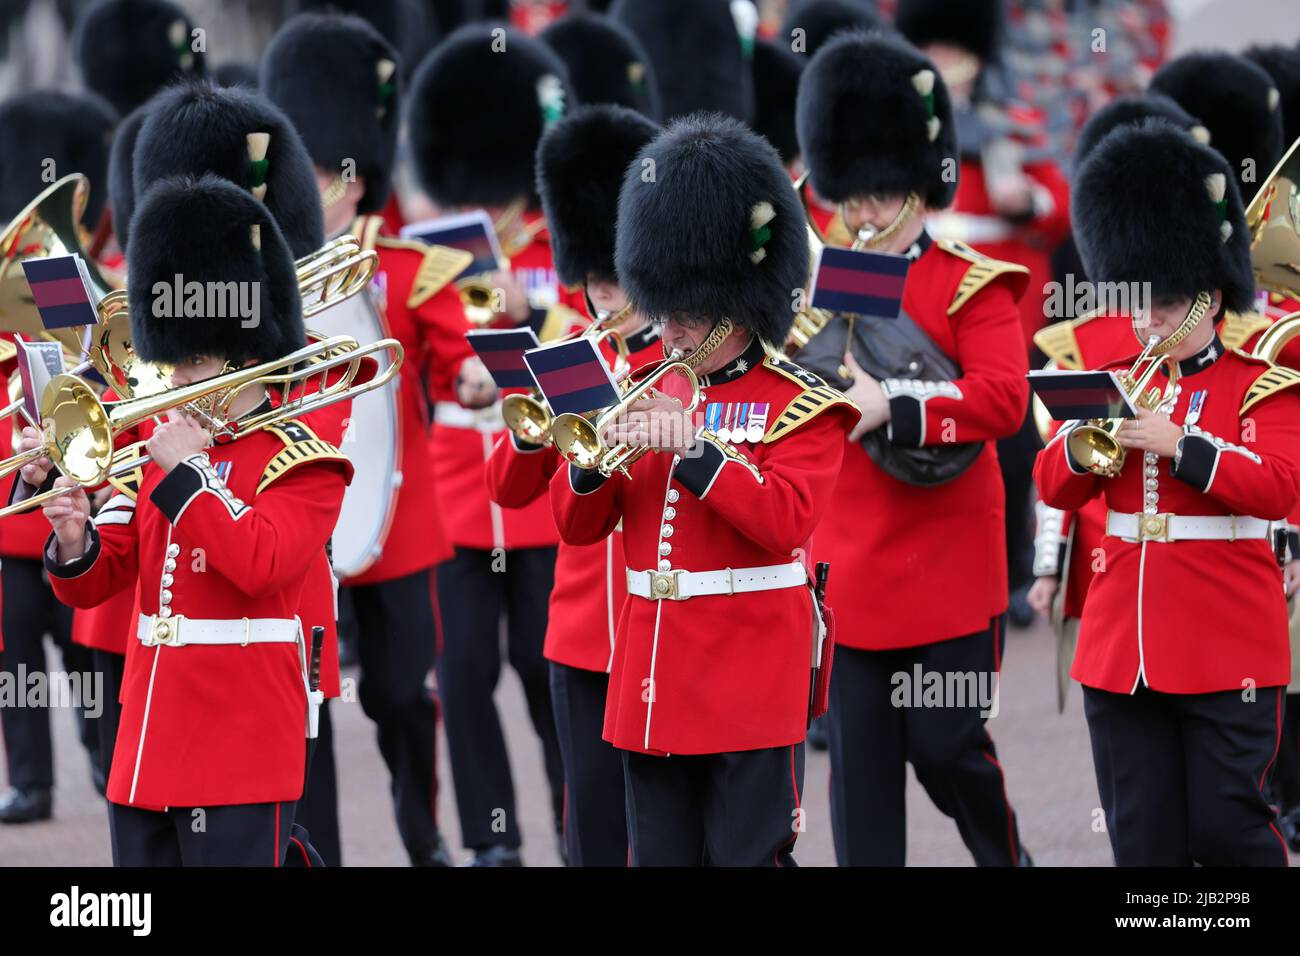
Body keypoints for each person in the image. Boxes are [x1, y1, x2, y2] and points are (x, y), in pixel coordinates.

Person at [550, 113, 858, 866]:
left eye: (688, 313)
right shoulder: (636, 388)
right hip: (652, 674)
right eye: (667, 309)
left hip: (751, 678)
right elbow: (576, 527)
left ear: (736, 300)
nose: (672, 330)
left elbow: (786, 520)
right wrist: (592, 460)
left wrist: (697, 450)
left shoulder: (804, 402)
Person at [15, 174, 349, 865]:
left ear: (246, 355)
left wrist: (189, 474)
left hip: (241, 739)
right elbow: (98, 580)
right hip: (147, 734)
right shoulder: (161, 450)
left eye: (189, 362)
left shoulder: (307, 463)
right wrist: (74, 537)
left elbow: (261, 564)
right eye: (173, 362)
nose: (172, 382)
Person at [261, 9, 495, 867]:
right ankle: (311, 848)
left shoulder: (401, 265)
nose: (317, 184)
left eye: (330, 170)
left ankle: (421, 826)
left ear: (358, 178)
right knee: (308, 697)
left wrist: (477, 379)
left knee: (400, 695)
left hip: (396, 517)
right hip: (301, 513)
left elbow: (457, 355)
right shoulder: (265, 268)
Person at [1035, 118, 1300, 866]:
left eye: (1166, 302)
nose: (1147, 320)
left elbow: (1279, 487)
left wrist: (1183, 446)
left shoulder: (1262, 385)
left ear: (1211, 298)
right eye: (1140, 302)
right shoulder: (1113, 384)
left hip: (1226, 644)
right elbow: (1053, 485)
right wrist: (1090, 445)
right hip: (1123, 647)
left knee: (1231, 831)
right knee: (1142, 839)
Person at [794, 30, 1031, 866]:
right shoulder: (818, 285)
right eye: (851, 196)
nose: (861, 213)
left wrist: (890, 404)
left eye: (879, 194)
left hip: (947, 566)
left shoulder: (972, 281)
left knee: (945, 748)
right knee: (858, 791)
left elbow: (1004, 400)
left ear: (918, 188)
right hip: (852, 569)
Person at [407, 22, 577, 865]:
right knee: (463, 677)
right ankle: (490, 841)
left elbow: (589, 337)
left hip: (540, 492)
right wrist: (465, 384)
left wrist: (530, 323)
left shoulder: (559, 250)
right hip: (457, 496)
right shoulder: (433, 257)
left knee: (553, 679)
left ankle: (577, 825)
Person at [484, 102, 662, 866]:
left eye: (618, 284)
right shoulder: (568, 349)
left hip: (663, 629)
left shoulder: (696, 366)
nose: (606, 303)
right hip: (584, 632)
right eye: (594, 284)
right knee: (589, 834)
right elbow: (507, 489)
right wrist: (533, 423)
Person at [0, 89, 117, 823]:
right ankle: (31, 781)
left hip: (74, 497)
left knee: (84, 646)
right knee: (12, 659)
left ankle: (108, 762)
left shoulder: (93, 289)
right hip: (12, 514)